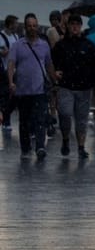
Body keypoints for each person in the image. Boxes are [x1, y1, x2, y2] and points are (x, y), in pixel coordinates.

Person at [51, 14, 95, 159]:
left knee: (81, 119)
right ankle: (66, 139)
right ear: (67, 26)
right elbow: (51, 62)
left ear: (81, 26)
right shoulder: (61, 46)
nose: (74, 27)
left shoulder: (88, 45)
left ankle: (81, 146)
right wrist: (54, 73)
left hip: (84, 87)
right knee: (65, 114)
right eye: (72, 24)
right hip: (66, 86)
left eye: (77, 24)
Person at [6, 13, 56, 158]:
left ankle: (40, 146)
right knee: (24, 121)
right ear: (25, 27)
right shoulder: (17, 45)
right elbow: (11, 64)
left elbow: (49, 64)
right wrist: (11, 82)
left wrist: (55, 79)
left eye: (34, 26)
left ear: (38, 26)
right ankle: (26, 147)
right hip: (22, 91)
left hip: (39, 90)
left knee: (40, 119)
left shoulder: (44, 45)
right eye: (29, 26)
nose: (32, 28)